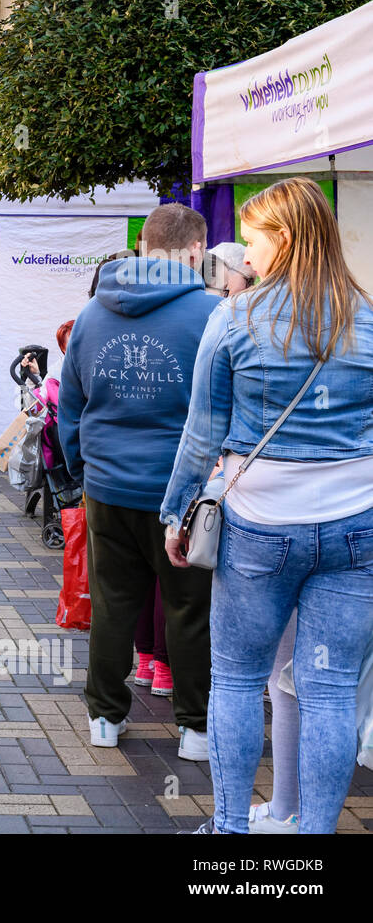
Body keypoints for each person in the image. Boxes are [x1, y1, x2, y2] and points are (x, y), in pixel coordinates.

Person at [161, 177, 373, 834]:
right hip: (357, 528)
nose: (245, 257)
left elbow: (202, 431)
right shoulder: (366, 318)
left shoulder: (237, 317)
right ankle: (311, 838)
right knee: (332, 691)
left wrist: (177, 512)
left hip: (260, 526)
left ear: (283, 238)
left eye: (254, 241)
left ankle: (231, 829)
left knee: (235, 680)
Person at [58, 203, 220, 760]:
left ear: (145, 244)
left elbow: (70, 409)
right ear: (196, 251)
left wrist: (83, 472)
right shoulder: (211, 314)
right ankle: (195, 730)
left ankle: (105, 716)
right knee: (189, 609)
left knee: (112, 605)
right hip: (185, 494)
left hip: (107, 488)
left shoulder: (91, 315)